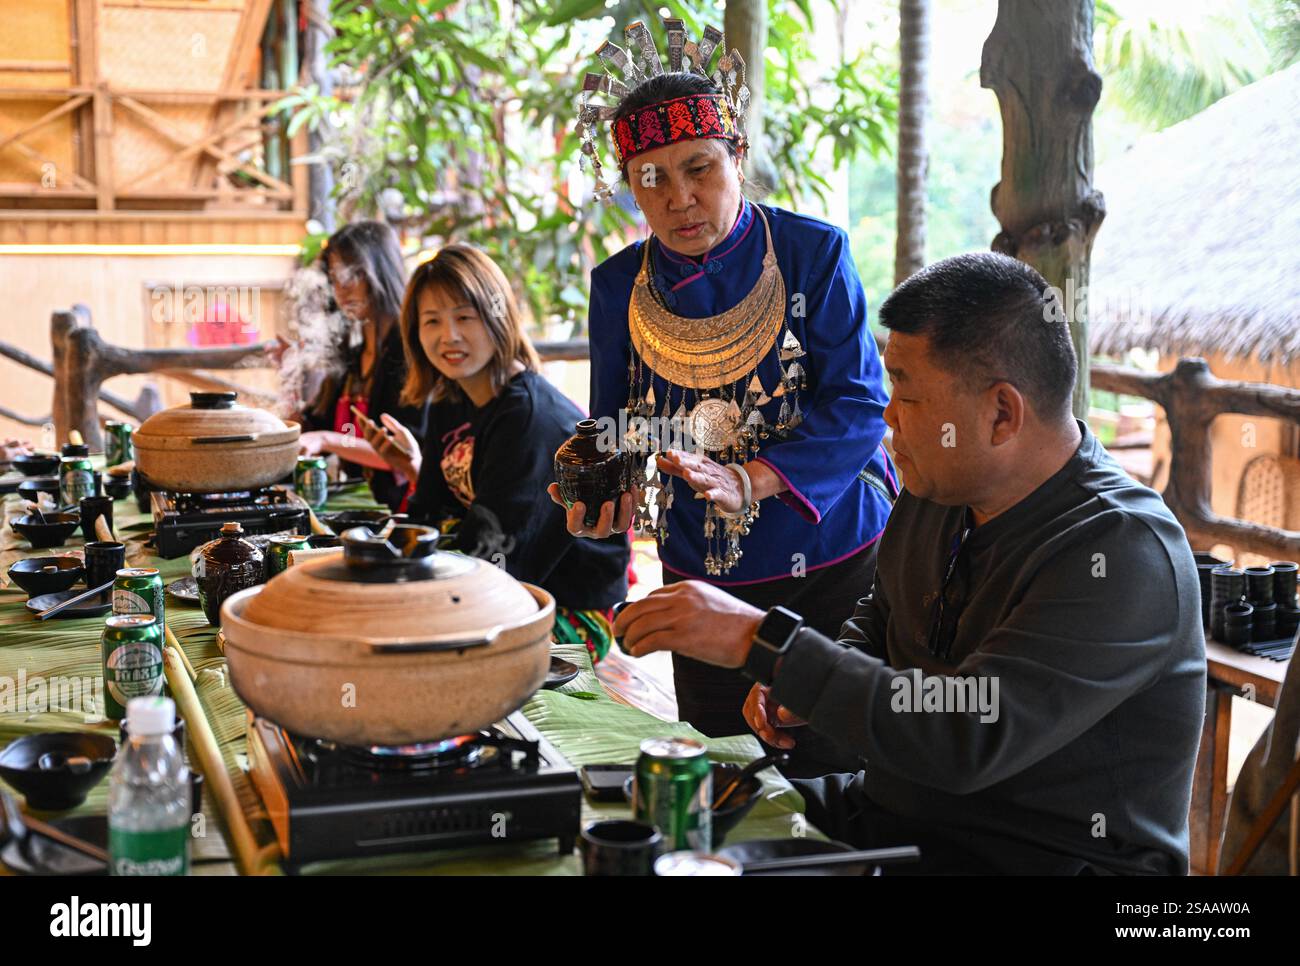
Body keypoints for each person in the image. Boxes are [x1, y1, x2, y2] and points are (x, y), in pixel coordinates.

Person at [614, 252, 1207, 874]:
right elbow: (881, 622)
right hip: (895, 819)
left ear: (1001, 413)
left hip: (1037, 858)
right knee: (655, 822)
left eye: (907, 391)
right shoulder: (936, 494)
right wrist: (801, 692)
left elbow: (966, 735)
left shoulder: (1121, 552)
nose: (888, 415)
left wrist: (761, 642)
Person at [551, 19, 895, 771]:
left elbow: (860, 406)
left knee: (831, 768)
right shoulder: (618, 288)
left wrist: (751, 478)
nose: (680, 197)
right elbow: (617, 424)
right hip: (700, 570)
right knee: (723, 769)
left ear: (737, 157)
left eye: (700, 167)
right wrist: (599, 487)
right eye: (652, 177)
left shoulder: (814, 254)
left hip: (835, 558)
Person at [366, 244, 629, 661]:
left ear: (497, 317)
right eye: (431, 321)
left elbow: (501, 557)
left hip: (566, 610)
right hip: (493, 580)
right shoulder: (450, 398)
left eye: (464, 317)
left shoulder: (528, 416)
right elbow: (427, 510)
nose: (448, 336)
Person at [296, 221, 427, 511]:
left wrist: (327, 440)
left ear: (380, 270)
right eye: (334, 277)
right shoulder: (354, 356)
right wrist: (289, 374)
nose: (341, 289)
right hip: (359, 511)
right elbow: (313, 426)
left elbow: (403, 454)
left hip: (404, 514)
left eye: (352, 274)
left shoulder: (412, 354)